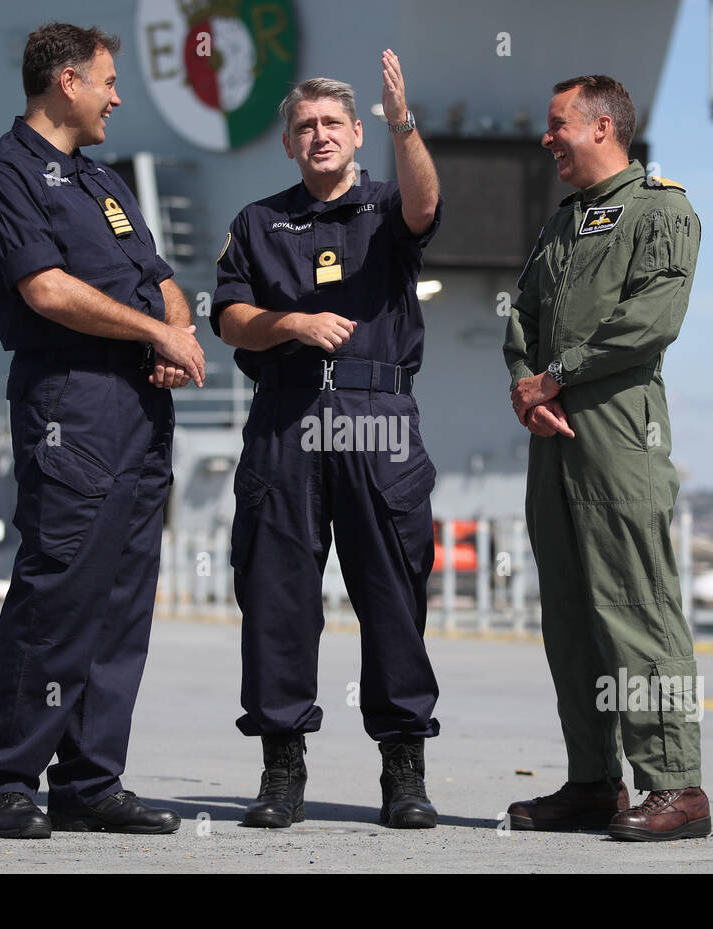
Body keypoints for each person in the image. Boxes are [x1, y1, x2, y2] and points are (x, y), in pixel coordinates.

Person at [0, 22, 205, 838]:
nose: (117, 96)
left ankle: (91, 779)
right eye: (107, 80)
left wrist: (171, 338)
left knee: (122, 599)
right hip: (73, 403)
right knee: (59, 589)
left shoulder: (103, 178)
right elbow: (45, 289)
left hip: (140, 404)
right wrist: (152, 334)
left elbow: (159, 277)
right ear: (67, 81)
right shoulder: (4, 175)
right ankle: (6, 780)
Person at [211, 52, 443, 829]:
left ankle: (403, 768)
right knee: (275, 595)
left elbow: (426, 204)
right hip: (285, 416)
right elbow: (230, 318)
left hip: (376, 417)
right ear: (287, 143)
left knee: (392, 595)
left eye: (333, 124)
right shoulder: (256, 222)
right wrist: (294, 324)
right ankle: (282, 768)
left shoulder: (386, 206)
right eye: (304, 126)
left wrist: (403, 120)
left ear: (356, 135)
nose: (319, 135)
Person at [502, 75, 710, 841]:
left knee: (635, 607)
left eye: (558, 125)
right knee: (573, 618)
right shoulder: (564, 224)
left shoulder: (662, 209)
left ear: (600, 127)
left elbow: (652, 318)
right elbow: (521, 318)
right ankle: (594, 782)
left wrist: (559, 375)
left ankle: (675, 785)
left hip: (621, 437)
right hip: (553, 441)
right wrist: (527, 387)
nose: (548, 139)